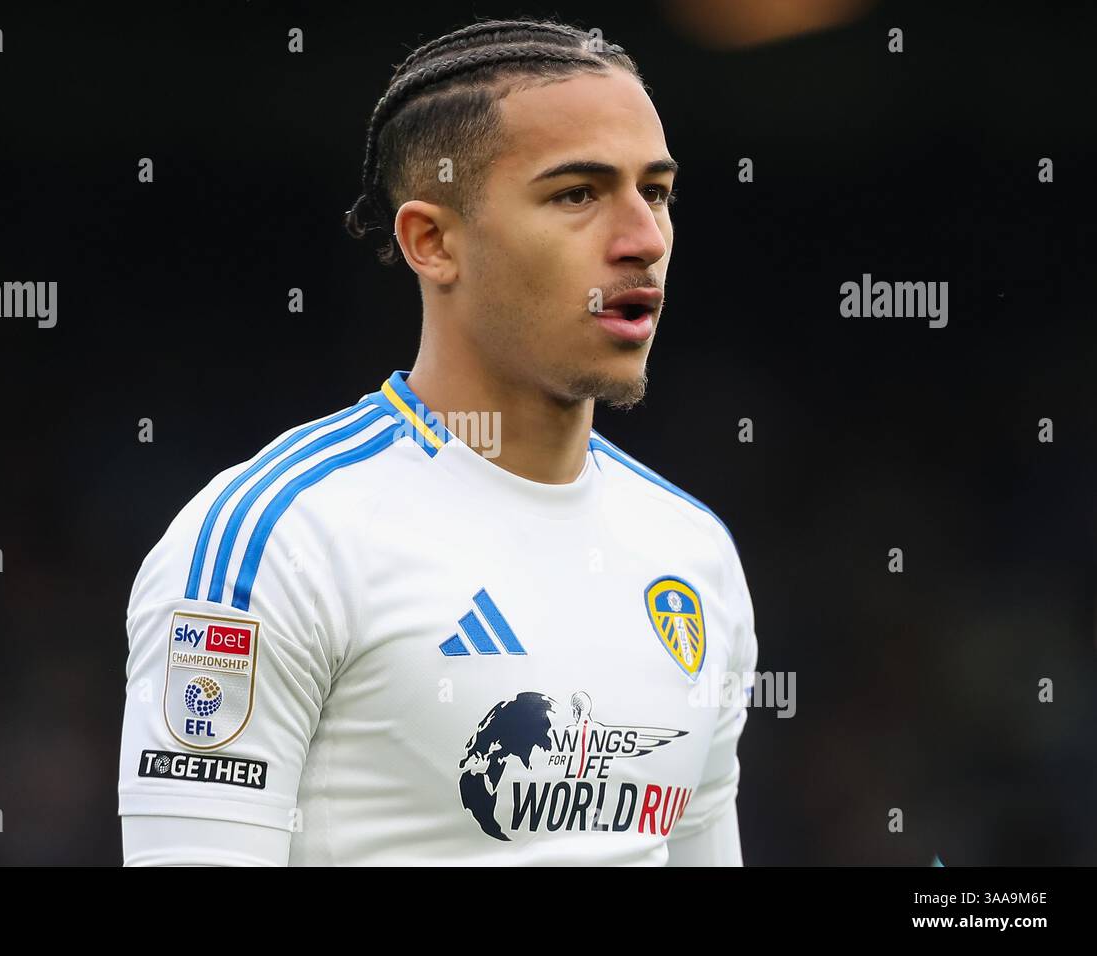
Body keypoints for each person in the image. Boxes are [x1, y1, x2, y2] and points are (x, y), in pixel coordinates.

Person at [119, 17, 758, 865]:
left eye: (658, 192)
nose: (643, 238)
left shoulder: (695, 555)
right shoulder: (276, 543)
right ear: (433, 241)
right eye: (577, 194)